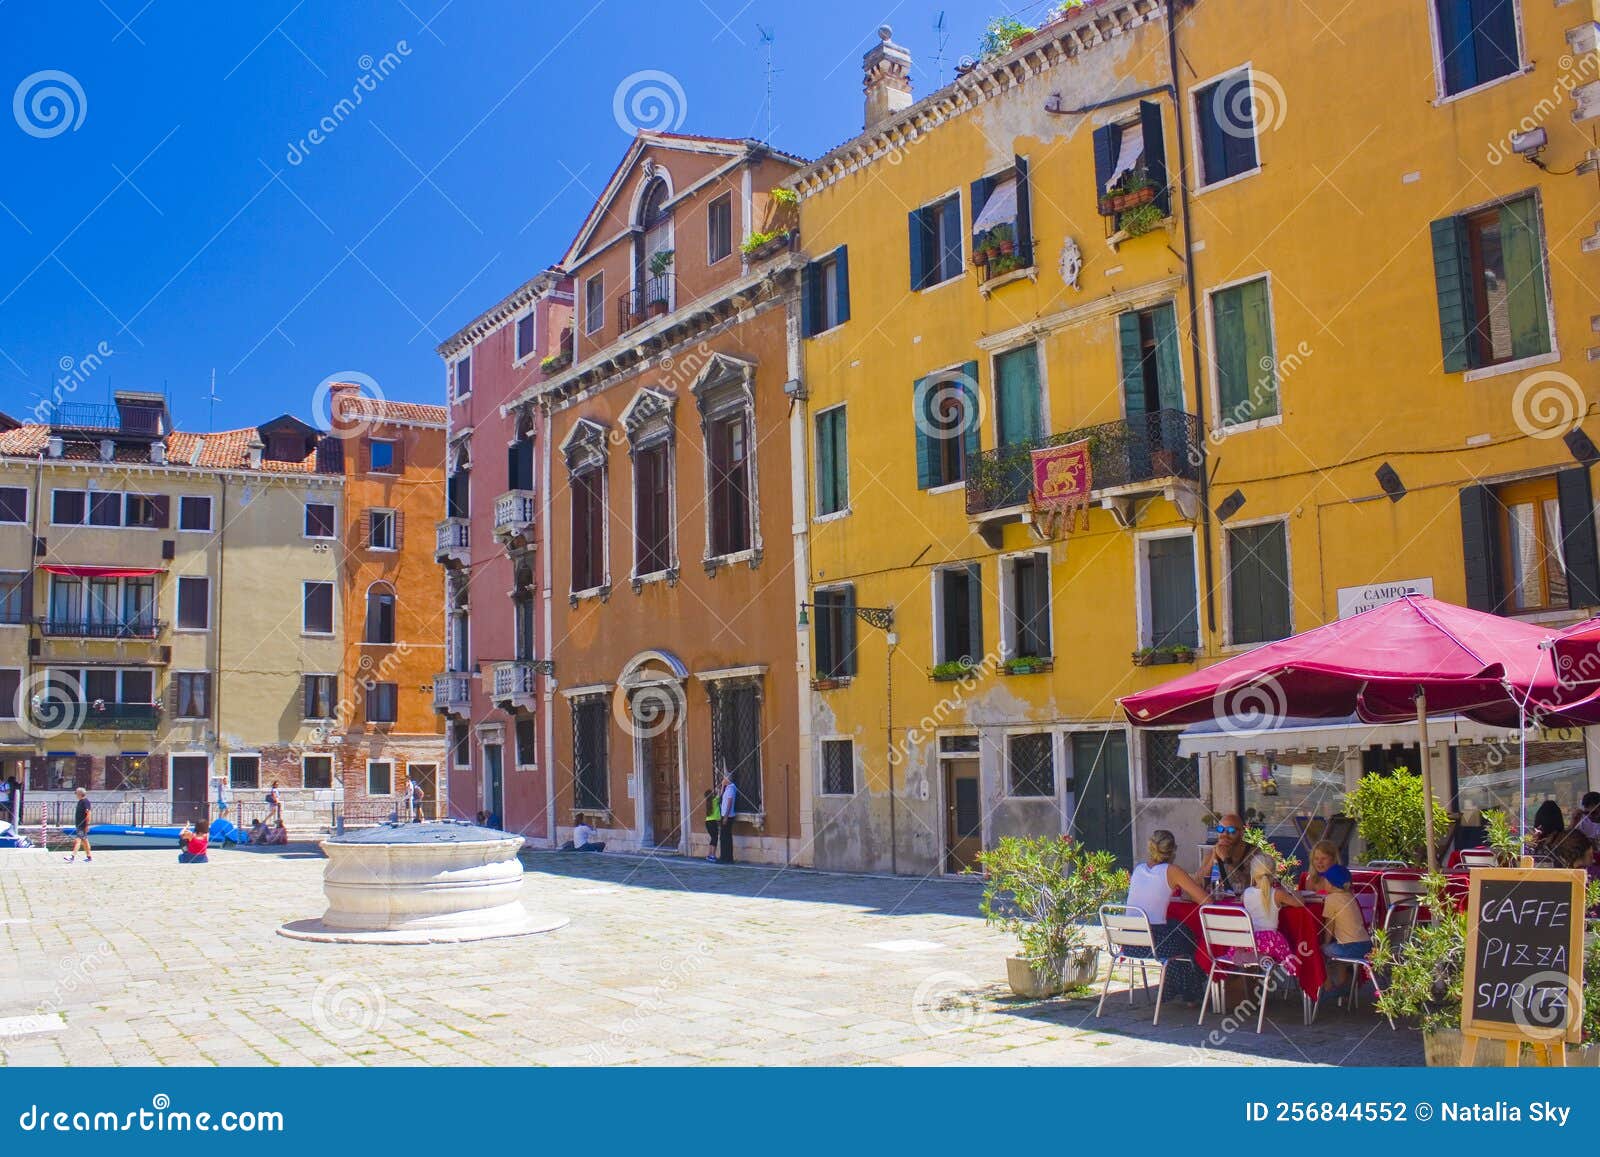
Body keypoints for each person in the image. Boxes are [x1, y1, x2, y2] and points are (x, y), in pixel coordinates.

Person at [1121, 830, 1210, 1003]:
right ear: (1173, 850)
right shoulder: (1172, 871)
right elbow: (1206, 900)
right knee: (1192, 938)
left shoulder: (1139, 869)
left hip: (1129, 943)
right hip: (1154, 944)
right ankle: (1190, 993)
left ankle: (1177, 990)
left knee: (1179, 931)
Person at [1230, 855, 1305, 976]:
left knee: (1248, 948)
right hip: (1270, 941)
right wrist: (1296, 891)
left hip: (1249, 941)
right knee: (1290, 956)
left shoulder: (1246, 892)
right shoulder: (1277, 894)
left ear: (1253, 874)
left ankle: (1254, 956)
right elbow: (1300, 903)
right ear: (1273, 873)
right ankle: (1263, 958)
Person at [1310, 863, 1371, 988]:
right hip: (1366, 944)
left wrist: (1326, 943)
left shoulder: (1331, 899)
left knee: (1319, 951)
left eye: (1325, 880)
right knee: (1338, 957)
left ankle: (1328, 987)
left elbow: (1329, 925)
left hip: (1349, 947)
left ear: (1331, 884)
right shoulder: (1350, 896)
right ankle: (1343, 984)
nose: (1323, 883)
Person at [1198, 814, 1252, 895]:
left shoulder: (1253, 853)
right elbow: (1197, 884)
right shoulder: (1214, 851)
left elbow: (1244, 887)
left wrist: (1226, 859)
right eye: (1221, 829)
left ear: (1242, 833)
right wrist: (1213, 857)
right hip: (1221, 904)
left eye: (1231, 830)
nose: (1225, 834)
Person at [64, 787, 92, 863]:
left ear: (80, 794)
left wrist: (87, 825)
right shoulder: (80, 801)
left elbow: (88, 813)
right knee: (85, 841)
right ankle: (89, 857)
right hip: (79, 824)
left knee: (78, 840)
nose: (75, 794)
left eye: (76, 793)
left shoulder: (85, 802)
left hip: (83, 825)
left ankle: (72, 856)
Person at [717, 771, 737, 864]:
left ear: (727, 779)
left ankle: (726, 858)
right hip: (725, 815)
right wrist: (722, 787)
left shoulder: (731, 789)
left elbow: (729, 803)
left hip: (727, 816)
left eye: (724, 778)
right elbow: (721, 799)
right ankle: (724, 857)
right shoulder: (727, 788)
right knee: (724, 837)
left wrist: (725, 817)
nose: (722, 780)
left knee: (725, 837)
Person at [704, 787, 721, 863]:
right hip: (713, 822)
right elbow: (720, 795)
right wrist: (719, 788)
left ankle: (709, 855)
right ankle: (713, 855)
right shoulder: (715, 800)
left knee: (712, 838)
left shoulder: (708, 802)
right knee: (715, 838)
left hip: (708, 822)